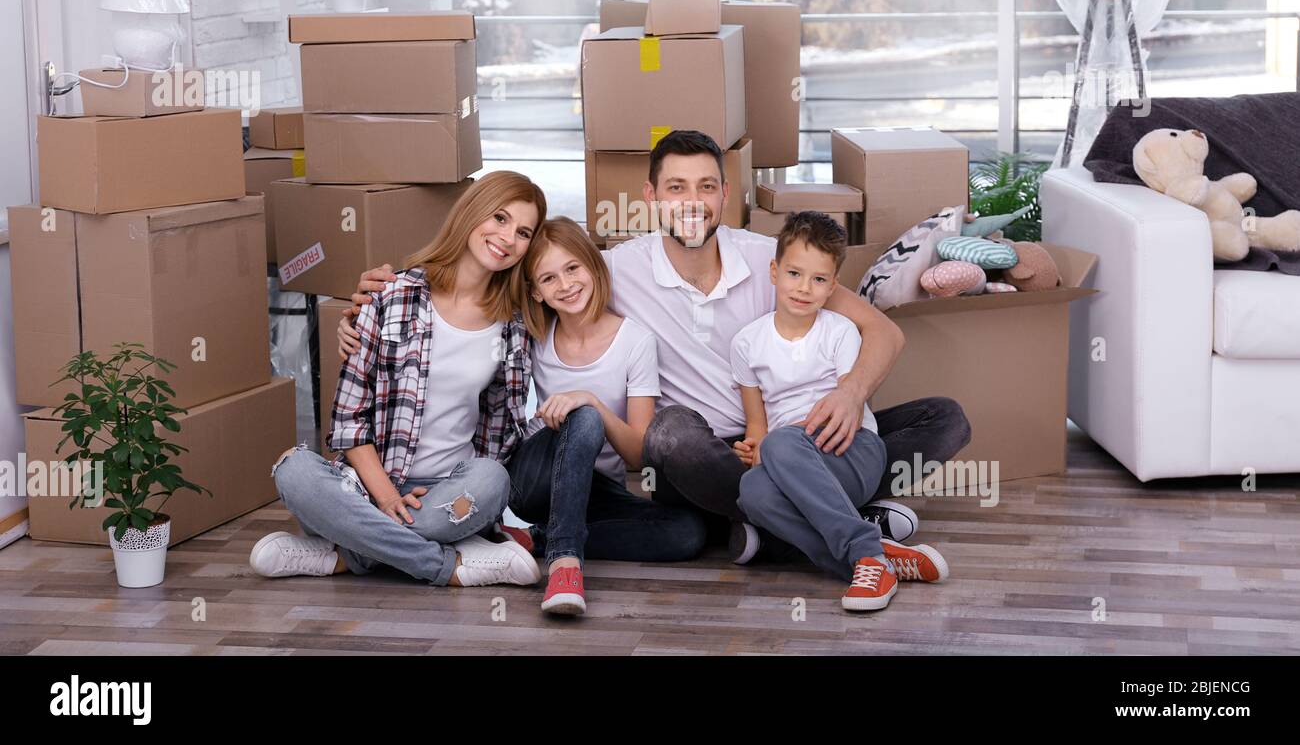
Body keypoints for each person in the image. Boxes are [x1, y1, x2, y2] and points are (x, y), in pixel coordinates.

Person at [338, 131, 972, 565]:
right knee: (669, 432)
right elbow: (520, 268)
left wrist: (850, 390)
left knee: (942, 418)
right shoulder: (614, 269)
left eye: (704, 187)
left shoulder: (772, 262)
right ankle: (836, 521)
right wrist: (389, 291)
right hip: (705, 457)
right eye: (675, 188)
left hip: (794, 440)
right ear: (651, 197)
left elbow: (883, 331)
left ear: (726, 195)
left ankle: (773, 524)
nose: (691, 202)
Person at [248, 171, 548, 589]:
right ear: (471, 213)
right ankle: (446, 565)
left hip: (447, 493)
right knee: (293, 471)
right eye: (499, 218)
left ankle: (346, 554)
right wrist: (387, 497)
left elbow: (500, 433)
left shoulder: (513, 326)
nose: (507, 237)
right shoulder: (393, 294)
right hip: (367, 486)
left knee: (493, 480)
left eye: (523, 232)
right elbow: (348, 421)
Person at [730, 211, 949, 611]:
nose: (804, 288)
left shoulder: (839, 331)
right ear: (775, 271)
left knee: (783, 445)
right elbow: (758, 426)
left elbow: (845, 407)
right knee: (753, 492)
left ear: (833, 286)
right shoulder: (747, 343)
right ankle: (873, 559)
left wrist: (779, 443)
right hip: (791, 462)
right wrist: (755, 446)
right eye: (794, 273)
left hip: (852, 451)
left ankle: (863, 553)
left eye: (818, 279)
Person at [512, 217, 707, 616]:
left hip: (594, 489)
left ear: (593, 265)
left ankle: (537, 540)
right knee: (583, 417)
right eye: (548, 279)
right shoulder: (532, 334)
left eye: (572, 269)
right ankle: (564, 565)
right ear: (535, 292)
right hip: (535, 479)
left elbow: (637, 455)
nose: (565, 285)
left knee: (687, 534)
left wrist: (595, 403)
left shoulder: (635, 341)